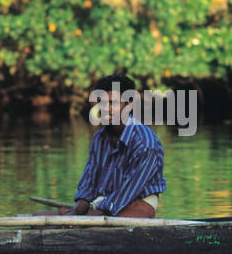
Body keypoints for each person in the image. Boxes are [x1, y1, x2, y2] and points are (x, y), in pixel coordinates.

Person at [64, 74, 166, 218]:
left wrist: (90, 217)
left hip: (138, 204)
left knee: (88, 231)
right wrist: (78, 209)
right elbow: (89, 181)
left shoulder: (145, 143)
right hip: (102, 202)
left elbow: (129, 191)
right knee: (42, 216)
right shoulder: (99, 138)